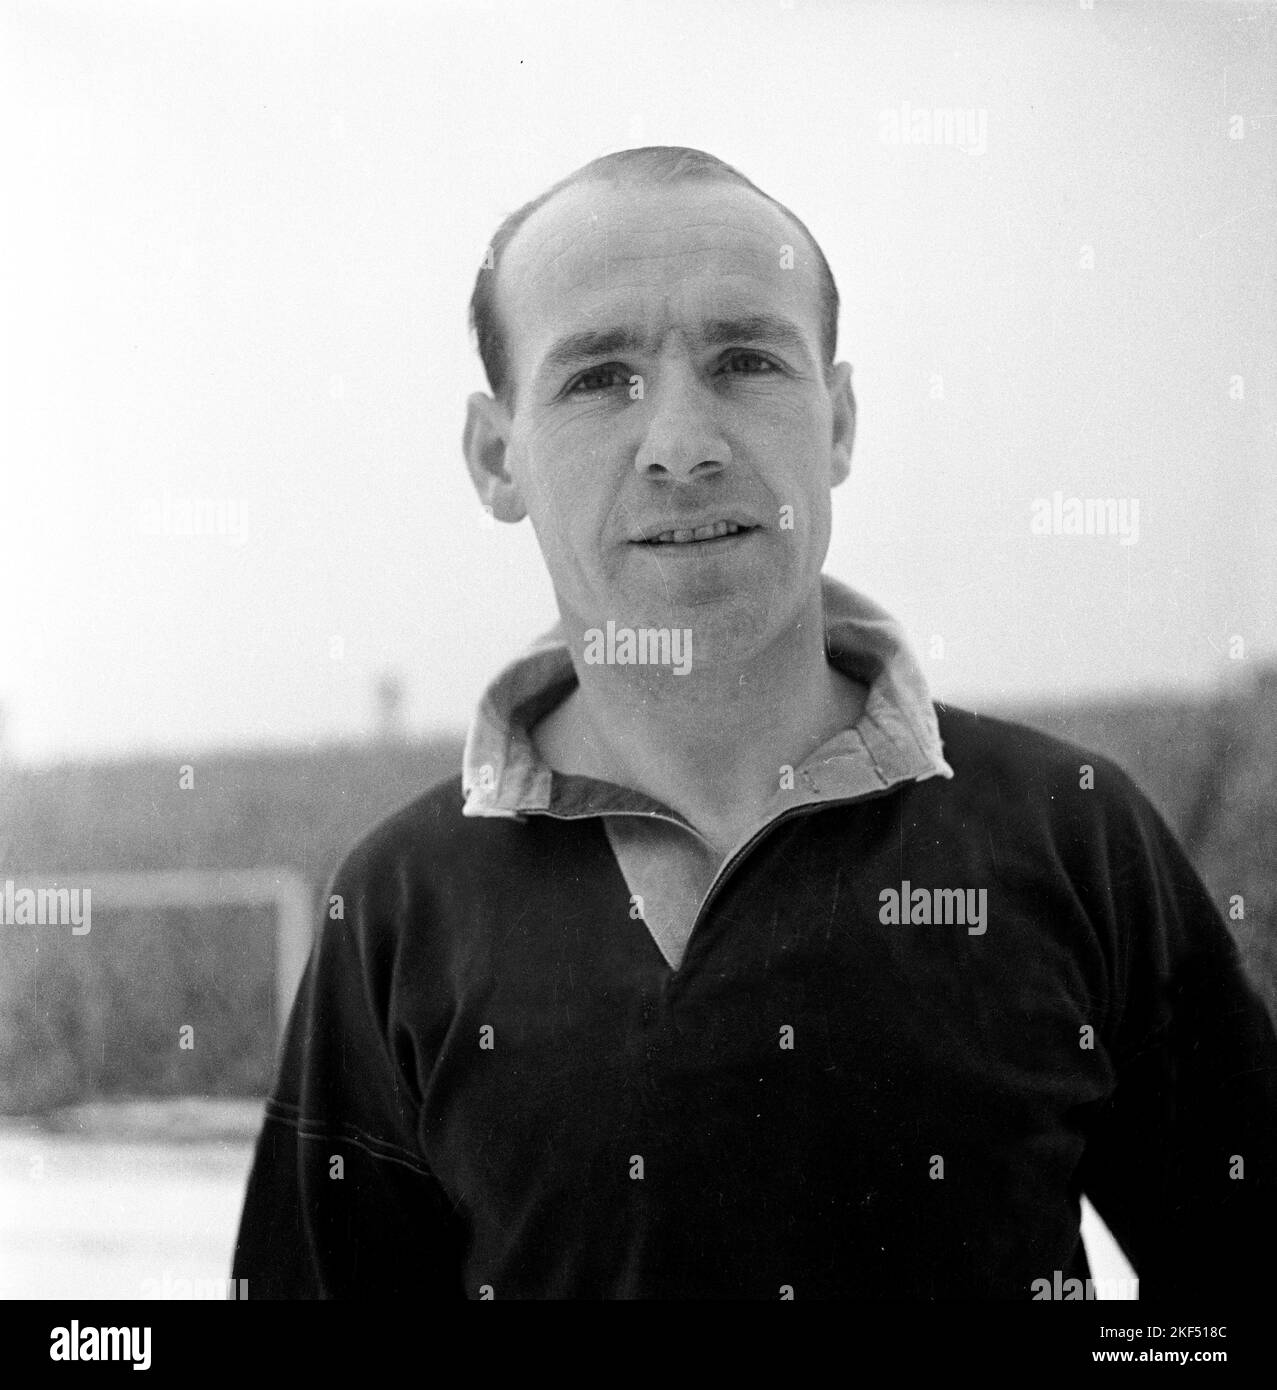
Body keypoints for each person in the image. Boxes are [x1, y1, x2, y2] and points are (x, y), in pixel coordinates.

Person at [232, 146, 1276, 1299]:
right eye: (596, 379)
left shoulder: (1073, 837)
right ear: (495, 457)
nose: (683, 442)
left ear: (835, 420)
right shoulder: (397, 904)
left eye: (744, 361)